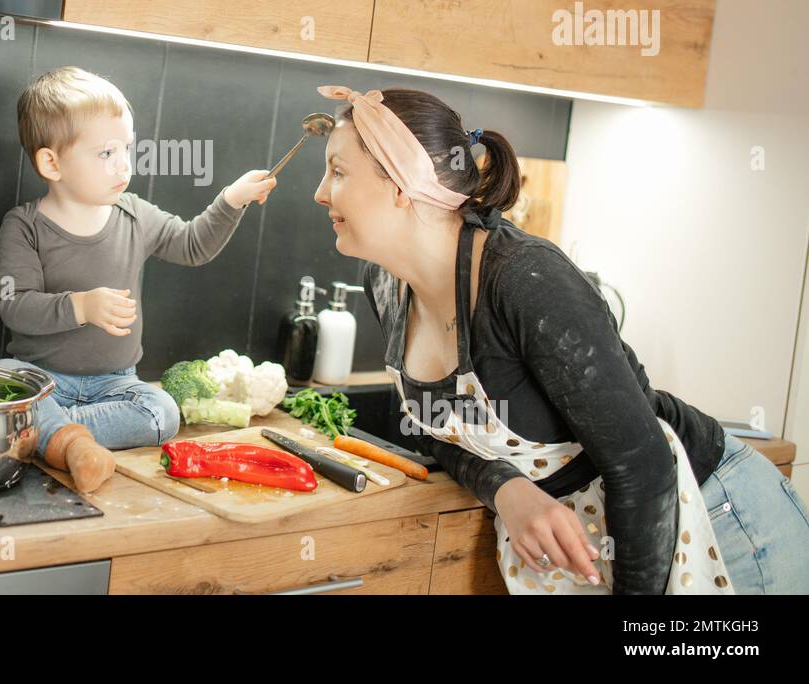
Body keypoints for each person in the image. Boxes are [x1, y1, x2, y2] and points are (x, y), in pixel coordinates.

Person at [312, 82, 809, 594]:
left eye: (338, 171)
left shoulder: (523, 278)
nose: (320, 191)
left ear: (399, 185)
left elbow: (643, 467)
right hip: (597, 543)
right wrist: (504, 488)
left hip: (712, 522)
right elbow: (435, 433)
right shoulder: (389, 285)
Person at [0, 66, 276, 493]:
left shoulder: (135, 214)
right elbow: (15, 305)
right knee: (2, 374)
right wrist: (81, 306)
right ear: (51, 162)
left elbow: (192, 244)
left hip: (116, 383)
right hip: (41, 375)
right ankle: (71, 444)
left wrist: (231, 200)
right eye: (106, 153)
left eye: (127, 149)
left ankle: (50, 435)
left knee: (163, 414)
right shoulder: (24, 225)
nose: (123, 164)